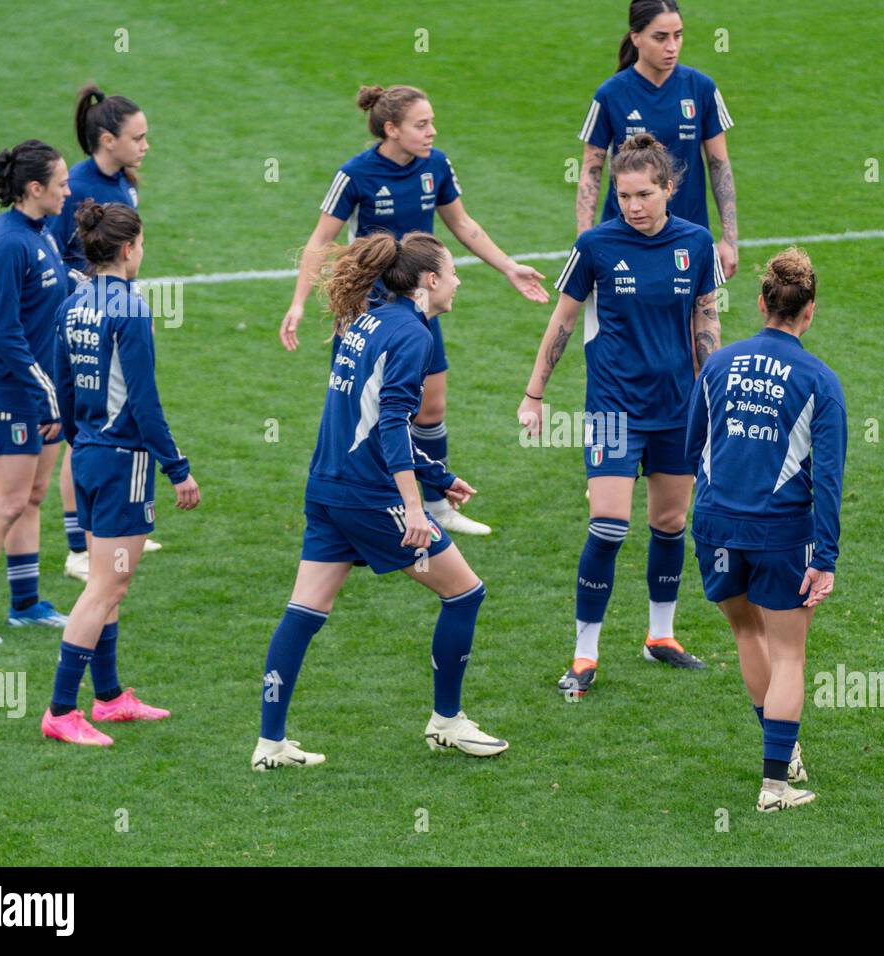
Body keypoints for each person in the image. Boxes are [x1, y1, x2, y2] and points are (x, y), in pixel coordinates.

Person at [253, 231, 507, 771]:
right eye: (453, 271)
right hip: (370, 497)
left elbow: (366, 420)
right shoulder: (414, 336)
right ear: (429, 280)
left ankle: (270, 744)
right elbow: (390, 423)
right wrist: (416, 506)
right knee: (465, 594)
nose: (459, 280)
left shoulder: (368, 318)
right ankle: (447, 722)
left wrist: (437, 474)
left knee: (303, 613)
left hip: (327, 487)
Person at [279, 84, 549, 537]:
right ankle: (363, 500)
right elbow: (320, 241)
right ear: (391, 129)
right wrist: (299, 302)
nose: (432, 132)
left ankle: (438, 506)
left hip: (420, 306)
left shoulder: (435, 165)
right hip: (368, 308)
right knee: (362, 407)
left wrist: (508, 267)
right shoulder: (356, 174)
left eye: (431, 122)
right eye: (421, 124)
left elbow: (462, 223)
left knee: (430, 407)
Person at [518, 133, 724, 697]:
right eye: (623, 194)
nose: (632, 205)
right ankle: (585, 654)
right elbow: (561, 322)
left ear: (668, 189)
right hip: (613, 409)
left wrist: (713, 394)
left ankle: (661, 636)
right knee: (608, 526)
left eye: (642, 194)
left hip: (678, 409)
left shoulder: (696, 244)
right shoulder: (597, 246)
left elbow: (705, 323)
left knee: (670, 524)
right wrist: (534, 395)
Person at [685, 247, 846, 812]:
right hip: (781, 534)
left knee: (747, 635)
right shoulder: (819, 381)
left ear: (760, 303)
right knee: (790, 655)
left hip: (713, 527)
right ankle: (775, 785)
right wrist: (824, 556)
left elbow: (693, 447)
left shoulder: (719, 363)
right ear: (809, 312)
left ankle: (785, 747)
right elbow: (826, 480)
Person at [42, 200, 199, 747]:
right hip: (122, 461)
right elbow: (144, 400)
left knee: (108, 584)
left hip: (87, 455)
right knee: (107, 585)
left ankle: (107, 698)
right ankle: (62, 710)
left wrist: (76, 436)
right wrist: (177, 467)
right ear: (129, 248)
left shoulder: (74, 301)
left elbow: (61, 380)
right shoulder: (131, 308)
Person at [0, 141, 72, 646]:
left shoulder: (38, 232)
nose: (69, 189)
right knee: (6, 502)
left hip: (39, 389)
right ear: (34, 188)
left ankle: (25, 602)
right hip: (11, 389)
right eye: (61, 183)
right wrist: (46, 394)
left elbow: (51, 291)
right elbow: (4, 331)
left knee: (33, 496)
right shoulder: (8, 244)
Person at [50, 83, 157, 581]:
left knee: (110, 412)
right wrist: (90, 297)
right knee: (89, 431)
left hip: (112, 305)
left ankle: (115, 524)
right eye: (137, 137)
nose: (145, 146)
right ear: (107, 139)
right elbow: (53, 255)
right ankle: (80, 543)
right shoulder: (74, 184)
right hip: (86, 312)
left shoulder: (126, 182)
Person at [576, 0, 738, 278]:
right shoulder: (610, 94)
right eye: (660, 37)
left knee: (698, 322)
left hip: (688, 239)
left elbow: (719, 165)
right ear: (636, 37)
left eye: (678, 35)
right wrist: (584, 242)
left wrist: (730, 239)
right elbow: (591, 172)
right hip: (623, 241)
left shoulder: (701, 89)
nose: (672, 46)